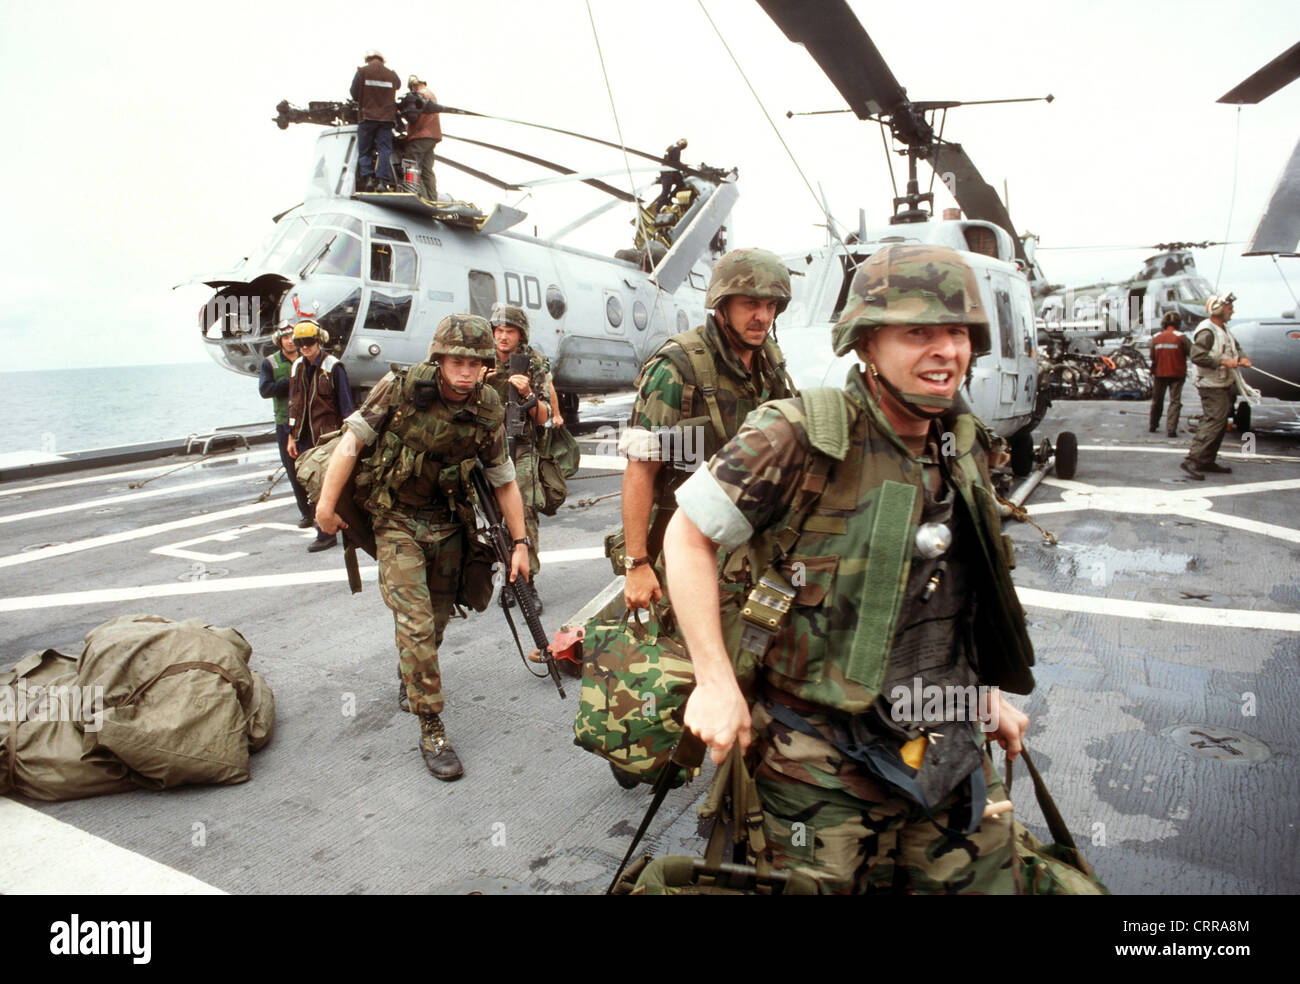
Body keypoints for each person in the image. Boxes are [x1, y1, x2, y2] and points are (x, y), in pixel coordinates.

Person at [663, 244, 1034, 894]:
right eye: (918, 331)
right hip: (820, 763)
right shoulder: (802, 433)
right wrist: (716, 683)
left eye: (957, 331)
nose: (946, 349)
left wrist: (985, 691)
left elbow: (951, 592)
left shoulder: (962, 444)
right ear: (866, 342)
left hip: (944, 743)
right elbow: (686, 534)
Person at [314, 315, 530, 782]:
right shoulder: (400, 388)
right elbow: (351, 443)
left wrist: (520, 543)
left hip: (449, 522)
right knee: (413, 622)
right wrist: (327, 507)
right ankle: (432, 726)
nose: (466, 372)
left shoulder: (488, 408)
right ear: (439, 359)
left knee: (434, 621)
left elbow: (504, 480)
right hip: (395, 520)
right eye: (457, 361)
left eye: (476, 363)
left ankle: (411, 673)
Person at [618, 247, 796, 613]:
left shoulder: (769, 363)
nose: (763, 316)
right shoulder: (677, 368)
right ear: (722, 304)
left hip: (751, 540)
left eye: (771, 306)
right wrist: (636, 565)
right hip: (684, 543)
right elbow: (640, 471)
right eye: (751, 304)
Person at [480, 303, 552, 610]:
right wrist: (478, 382)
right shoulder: (480, 358)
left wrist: (527, 396)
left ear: (520, 335)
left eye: (509, 331)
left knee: (522, 511)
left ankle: (527, 583)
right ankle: (507, 579)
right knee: (493, 518)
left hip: (520, 445)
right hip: (485, 445)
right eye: (498, 331)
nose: (503, 337)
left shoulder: (533, 363)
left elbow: (544, 416)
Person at [286, 321, 356, 551]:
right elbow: (293, 404)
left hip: (327, 438)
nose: (305, 347)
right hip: (304, 437)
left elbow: (347, 407)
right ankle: (326, 530)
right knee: (311, 484)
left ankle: (328, 534)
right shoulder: (297, 366)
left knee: (329, 486)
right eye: (300, 343)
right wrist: (291, 436)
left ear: (319, 341)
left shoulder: (334, 367)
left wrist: (347, 440)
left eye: (309, 342)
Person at [1181, 293, 1251, 481]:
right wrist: (1224, 362)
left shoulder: (1224, 330)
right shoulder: (1207, 331)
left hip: (1221, 383)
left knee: (1220, 422)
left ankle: (1206, 460)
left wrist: (1241, 357)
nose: (1232, 311)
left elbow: (1235, 346)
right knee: (1214, 420)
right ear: (1219, 310)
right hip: (1211, 384)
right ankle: (1193, 459)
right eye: (1229, 308)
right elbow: (1197, 357)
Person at [259, 323, 313, 527]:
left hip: (308, 420)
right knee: (292, 470)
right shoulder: (270, 363)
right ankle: (306, 513)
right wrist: (292, 381)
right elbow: (265, 390)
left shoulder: (307, 357)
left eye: (293, 337)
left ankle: (318, 508)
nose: (290, 341)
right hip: (284, 422)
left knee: (314, 466)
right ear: (279, 340)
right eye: (285, 338)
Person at [350, 50, 401, 192]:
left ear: (368, 59)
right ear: (382, 60)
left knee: (365, 151)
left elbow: (353, 93)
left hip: (367, 118)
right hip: (386, 119)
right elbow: (398, 85)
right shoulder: (392, 74)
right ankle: (382, 183)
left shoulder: (362, 72)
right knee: (384, 150)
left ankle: (368, 179)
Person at [1149, 311, 1190, 437]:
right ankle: (1171, 429)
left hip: (1159, 373)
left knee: (1157, 400)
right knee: (1175, 401)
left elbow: (1152, 356)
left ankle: (1153, 424)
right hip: (1177, 374)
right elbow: (1192, 353)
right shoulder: (1182, 337)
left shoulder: (1156, 337)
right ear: (1178, 323)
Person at [403, 75, 441, 201]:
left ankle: (414, 195)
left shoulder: (418, 95)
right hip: (432, 136)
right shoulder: (431, 94)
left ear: (413, 86)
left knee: (411, 163)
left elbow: (413, 117)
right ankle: (432, 199)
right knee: (426, 169)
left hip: (420, 135)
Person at [652, 138, 688, 212]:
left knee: (680, 183)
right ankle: (657, 210)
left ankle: (669, 199)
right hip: (668, 174)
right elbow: (675, 163)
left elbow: (671, 161)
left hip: (665, 172)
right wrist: (685, 166)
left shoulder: (671, 146)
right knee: (665, 192)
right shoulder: (677, 149)